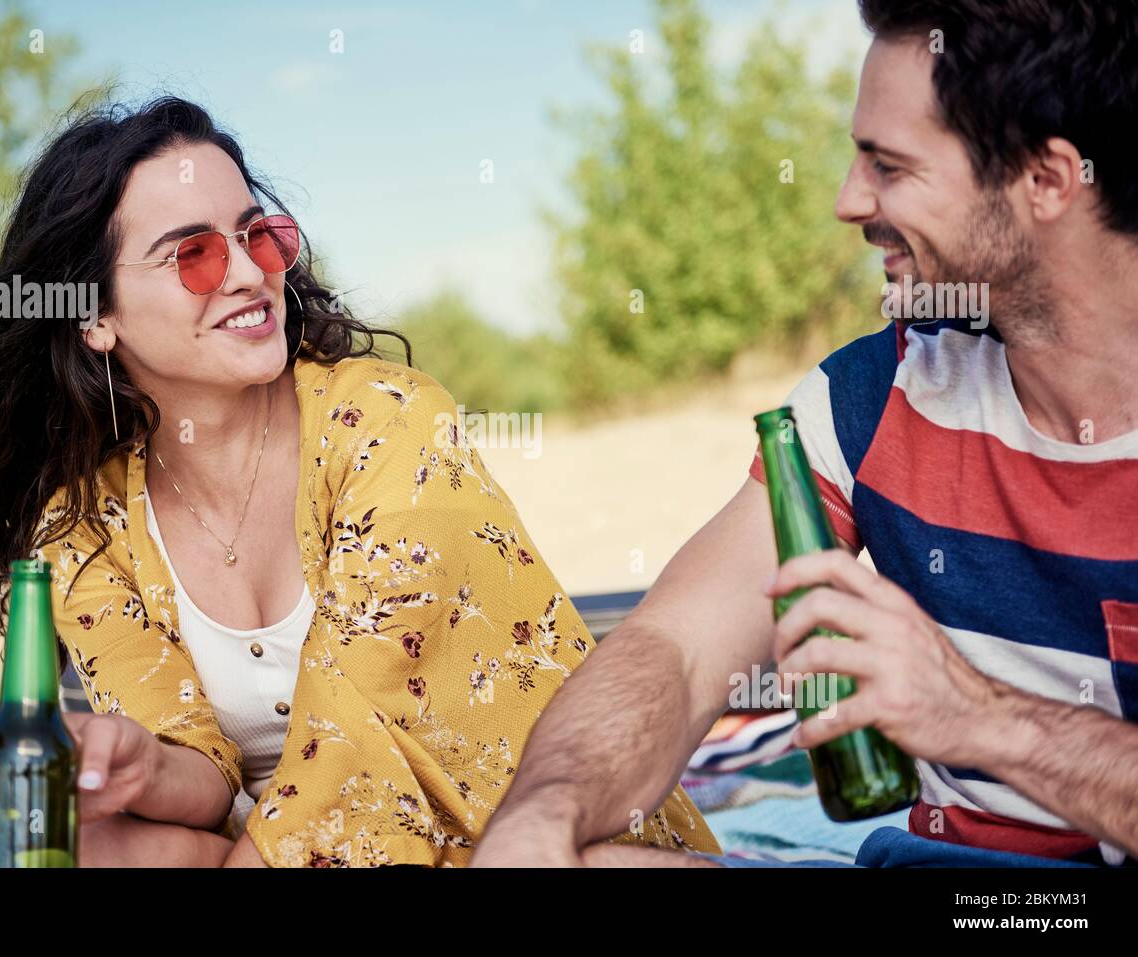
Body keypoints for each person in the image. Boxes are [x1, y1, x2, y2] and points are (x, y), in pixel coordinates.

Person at [0, 96, 717, 867]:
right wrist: (139, 763)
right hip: (282, 843)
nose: (244, 274)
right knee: (68, 846)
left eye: (256, 236)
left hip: (508, 834)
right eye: (192, 254)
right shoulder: (84, 524)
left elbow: (351, 733)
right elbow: (201, 773)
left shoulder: (387, 420)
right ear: (96, 317)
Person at [473, 0, 1138, 868]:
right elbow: (674, 648)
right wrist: (541, 815)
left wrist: (979, 714)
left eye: (889, 166)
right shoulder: (873, 392)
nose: (847, 201)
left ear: (1046, 181)